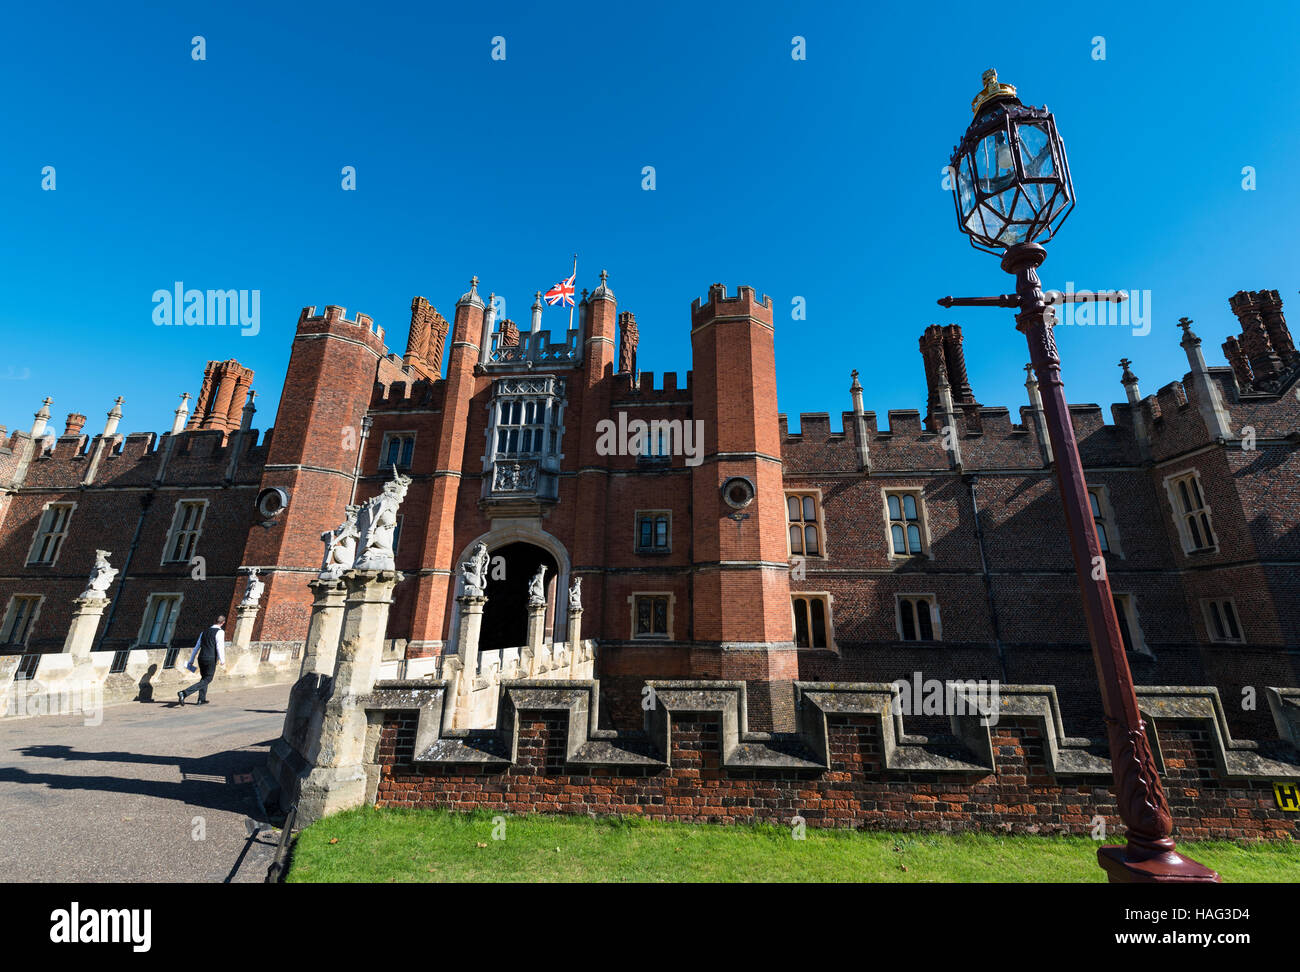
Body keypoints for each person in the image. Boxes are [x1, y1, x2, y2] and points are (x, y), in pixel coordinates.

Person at [178, 615, 226, 705]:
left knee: (204, 678)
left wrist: (191, 660)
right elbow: (220, 646)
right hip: (210, 658)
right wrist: (222, 659)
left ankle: (201, 699)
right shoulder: (220, 632)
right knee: (208, 679)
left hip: (201, 657)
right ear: (223, 623)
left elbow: (196, 647)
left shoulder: (204, 632)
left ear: (214, 620)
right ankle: (184, 693)